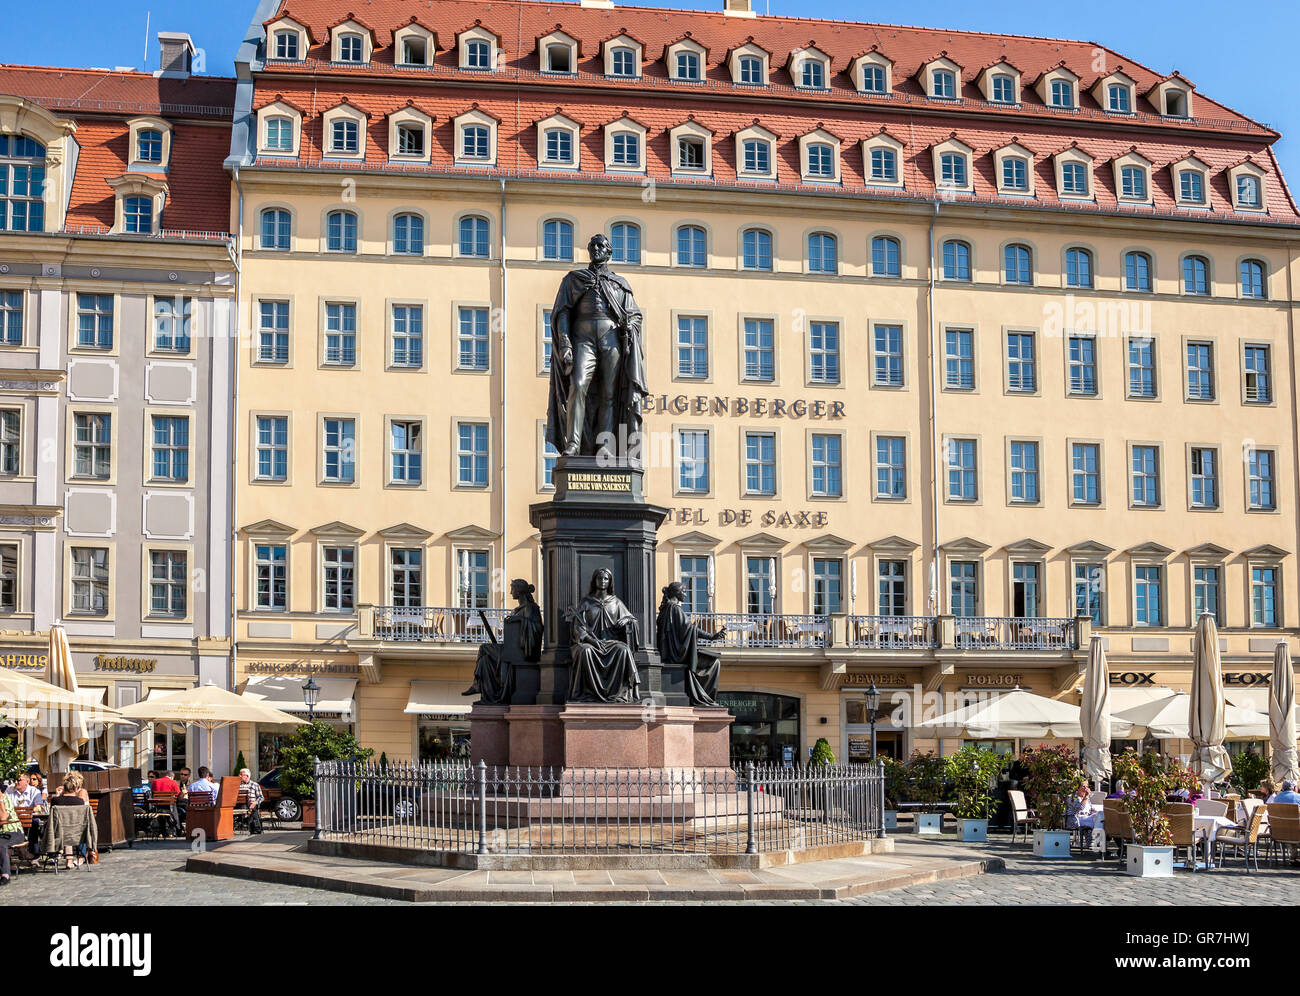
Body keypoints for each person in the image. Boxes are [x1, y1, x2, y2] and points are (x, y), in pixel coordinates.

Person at [544, 233, 648, 460]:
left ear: (609, 252)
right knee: (578, 386)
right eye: (592, 245)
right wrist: (564, 343)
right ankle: (573, 443)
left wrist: (630, 324)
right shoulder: (574, 279)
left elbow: (635, 314)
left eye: (601, 246)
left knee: (609, 394)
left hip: (611, 339)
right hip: (583, 337)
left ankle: (605, 447)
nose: (596, 249)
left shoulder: (620, 283)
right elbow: (562, 312)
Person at [565, 568, 640, 703]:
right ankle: (586, 694)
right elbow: (578, 627)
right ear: (594, 581)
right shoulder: (586, 602)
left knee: (623, 650)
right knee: (585, 651)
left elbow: (633, 620)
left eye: (606, 579)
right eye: (600, 578)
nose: (603, 581)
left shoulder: (616, 602)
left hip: (610, 642)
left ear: (610, 582)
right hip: (590, 642)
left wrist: (627, 620)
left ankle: (619, 694)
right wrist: (591, 640)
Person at [463, 579, 543, 704]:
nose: (511, 592)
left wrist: (521, 620)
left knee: (484, 648)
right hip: (511, 650)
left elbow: (537, 628)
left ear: (519, 591)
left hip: (521, 652)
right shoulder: (519, 610)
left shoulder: (531, 608)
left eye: (513, 588)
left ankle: (476, 685)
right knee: (484, 661)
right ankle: (487, 694)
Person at [655, 580, 726, 706]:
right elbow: (690, 629)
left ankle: (703, 697)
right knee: (714, 663)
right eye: (683, 591)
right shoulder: (675, 608)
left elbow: (687, 630)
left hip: (674, 652)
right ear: (676, 592)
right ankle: (703, 698)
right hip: (678, 655)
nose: (686, 595)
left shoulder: (666, 608)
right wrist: (712, 637)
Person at [50, 772, 90, 869]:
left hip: (58, 834)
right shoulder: (80, 802)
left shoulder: (56, 801)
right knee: (73, 830)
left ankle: (59, 855)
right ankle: (72, 860)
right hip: (77, 834)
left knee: (62, 829)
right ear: (76, 789)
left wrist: (58, 795)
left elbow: (51, 818)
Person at [0, 791, 23, 886]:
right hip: (2, 834)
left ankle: (5, 874)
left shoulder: (6, 798)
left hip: (14, 832)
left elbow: (3, 817)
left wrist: (0, 801)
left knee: (1, 844)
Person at [238, 769, 264, 835]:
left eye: (241, 774)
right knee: (245, 807)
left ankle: (255, 828)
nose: (239, 776)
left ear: (247, 776)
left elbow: (261, 797)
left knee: (252, 807)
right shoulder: (238, 785)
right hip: (241, 804)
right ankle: (255, 827)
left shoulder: (255, 785)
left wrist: (255, 802)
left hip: (252, 803)